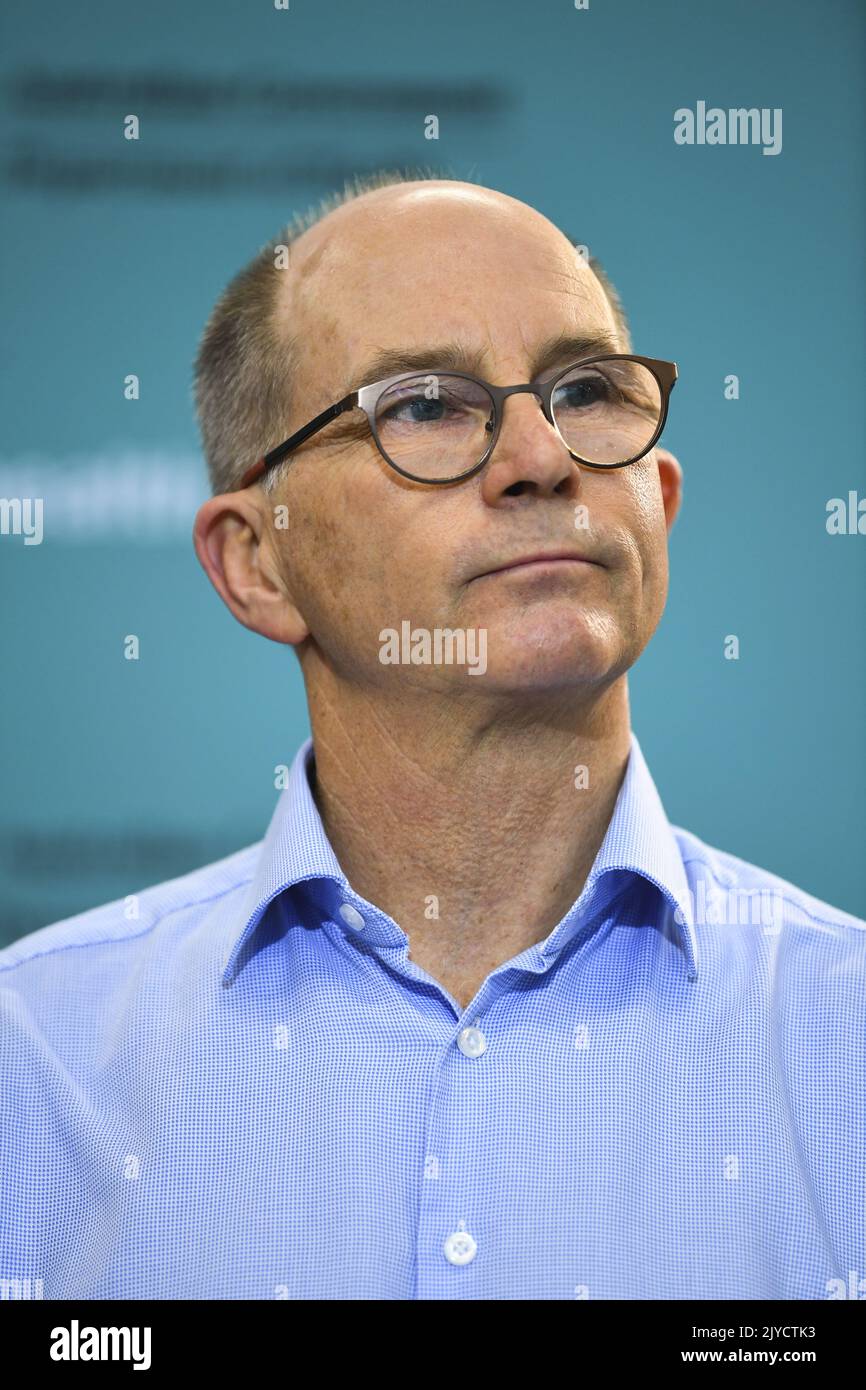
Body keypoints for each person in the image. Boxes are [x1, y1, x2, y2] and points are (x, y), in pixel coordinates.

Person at [2, 171, 863, 1302]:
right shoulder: (33, 1059)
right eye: (423, 406)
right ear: (258, 563)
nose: (542, 461)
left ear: (657, 495)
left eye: (587, 389)